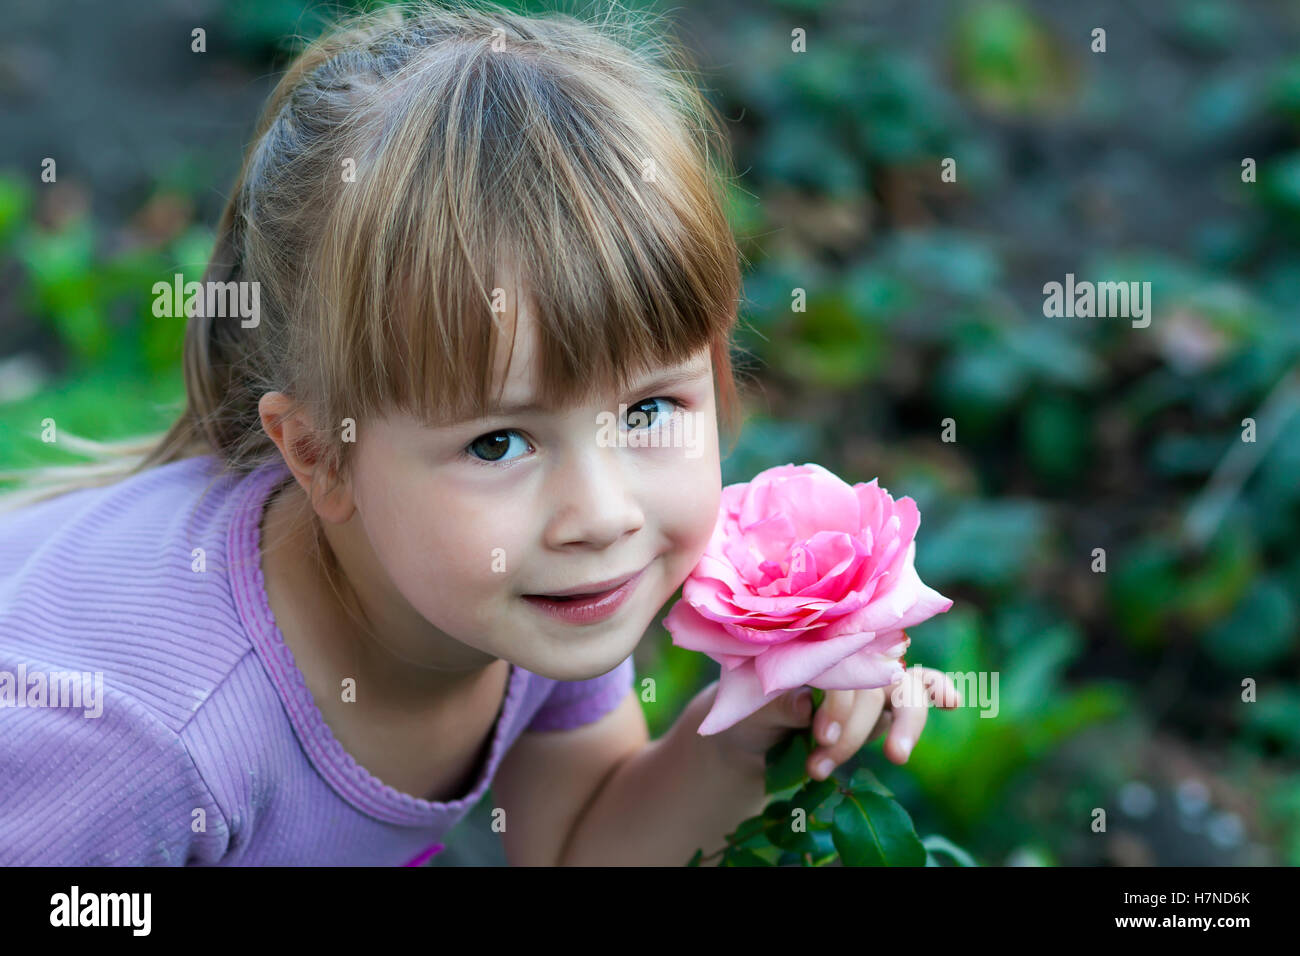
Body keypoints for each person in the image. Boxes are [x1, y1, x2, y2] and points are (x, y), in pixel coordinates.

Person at [0, 0, 957, 866]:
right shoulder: (145, 748)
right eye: (499, 443)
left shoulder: (544, 577)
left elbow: (581, 843)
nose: (602, 512)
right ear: (319, 456)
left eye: (648, 411)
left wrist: (745, 731)